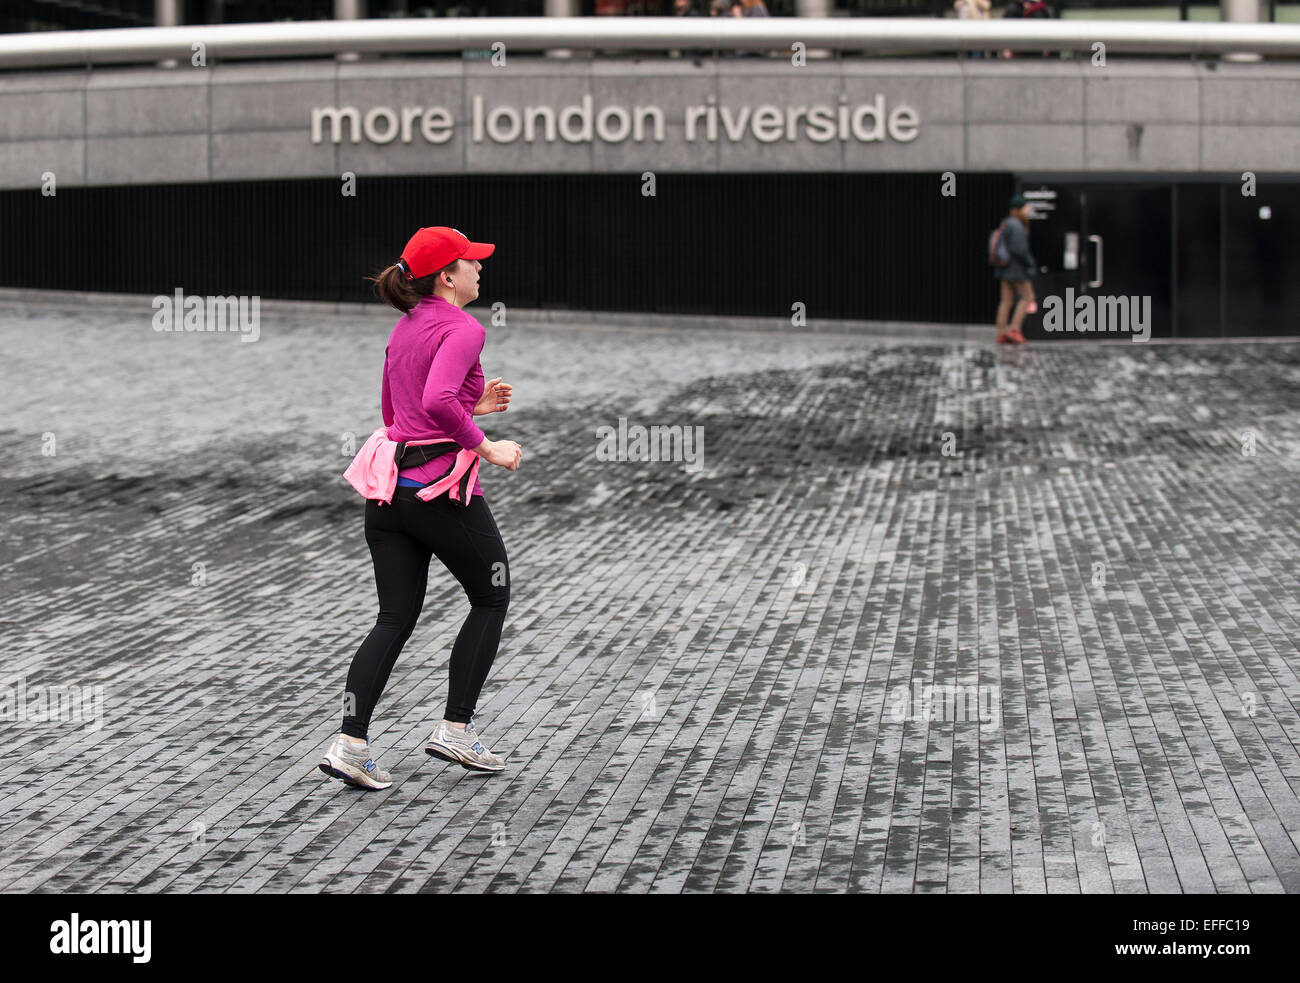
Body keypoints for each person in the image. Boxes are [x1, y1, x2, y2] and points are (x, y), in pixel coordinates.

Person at [319, 226, 523, 790]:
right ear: (446, 276)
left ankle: (349, 744)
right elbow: (433, 401)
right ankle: (455, 729)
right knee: (492, 594)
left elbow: (397, 412)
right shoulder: (463, 327)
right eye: (469, 262)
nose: (479, 269)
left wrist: (472, 403)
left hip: (388, 497)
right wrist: (486, 444)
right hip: (437, 493)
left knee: (394, 618)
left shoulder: (405, 328)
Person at [995, 195, 1036, 345]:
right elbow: (1020, 250)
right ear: (1020, 209)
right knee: (1028, 297)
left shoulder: (1005, 223)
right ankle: (1015, 329)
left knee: (1006, 301)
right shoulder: (1017, 225)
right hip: (1017, 270)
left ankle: (1001, 332)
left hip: (1004, 268)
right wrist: (1030, 265)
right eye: (1025, 207)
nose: (1027, 210)